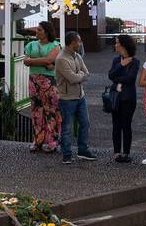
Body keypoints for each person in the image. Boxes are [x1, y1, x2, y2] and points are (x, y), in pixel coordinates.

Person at [22, 20, 63, 155]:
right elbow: (26, 61)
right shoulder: (31, 44)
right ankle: (38, 140)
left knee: (51, 110)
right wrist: (43, 62)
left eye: (40, 30)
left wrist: (33, 61)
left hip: (49, 80)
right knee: (36, 111)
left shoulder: (55, 45)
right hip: (33, 80)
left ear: (46, 31)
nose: (37, 31)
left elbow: (49, 60)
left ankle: (52, 142)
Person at [55, 31, 94, 163]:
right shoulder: (61, 59)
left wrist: (79, 75)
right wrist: (80, 75)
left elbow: (87, 73)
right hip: (67, 99)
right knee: (67, 128)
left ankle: (83, 150)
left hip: (80, 96)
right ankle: (66, 154)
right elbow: (72, 78)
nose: (81, 43)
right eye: (79, 41)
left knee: (85, 123)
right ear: (72, 43)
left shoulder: (77, 56)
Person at [107, 34, 141, 163]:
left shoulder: (135, 61)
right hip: (116, 97)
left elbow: (130, 78)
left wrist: (117, 78)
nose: (115, 45)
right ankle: (117, 152)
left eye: (117, 43)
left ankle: (126, 153)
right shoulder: (116, 60)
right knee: (116, 125)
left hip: (128, 98)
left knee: (126, 125)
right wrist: (121, 65)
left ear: (124, 45)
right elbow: (111, 75)